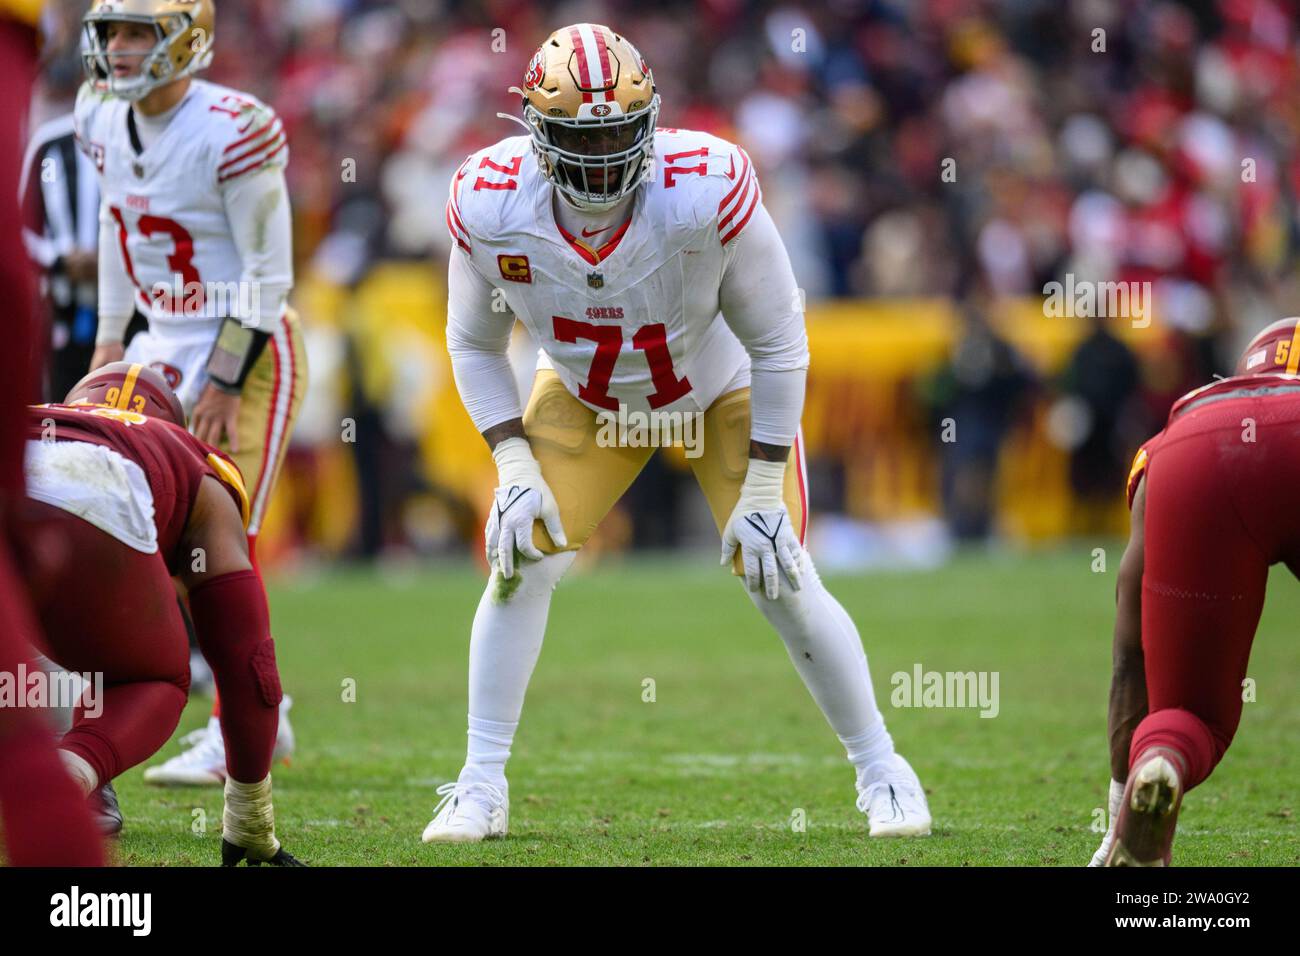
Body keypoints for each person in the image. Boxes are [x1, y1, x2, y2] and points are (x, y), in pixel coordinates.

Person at [424, 23, 930, 843]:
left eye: (620, 131)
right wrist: (514, 462)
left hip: (717, 383)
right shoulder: (489, 203)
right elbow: (473, 344)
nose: (603, 156)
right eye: (582, 137)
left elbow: (779, 341)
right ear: (534, 133)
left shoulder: (705, 185)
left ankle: (883, 769)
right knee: (519, 559)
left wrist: (763, 486)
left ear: (651, 119)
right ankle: (479, 784)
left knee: (781, 572)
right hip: (587, 398)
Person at [74, 0, 305, 783]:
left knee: (216, 547)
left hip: (245, 344)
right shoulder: (101, 116)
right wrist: (110, 340)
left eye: (140, 33)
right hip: (153, 346)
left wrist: (228, 379)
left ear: (186, 39)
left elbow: (268, 275)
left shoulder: (233, 127)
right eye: (114, 34)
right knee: (115, 525)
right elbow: (116, 224)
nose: (124, 50)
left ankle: (242, 725)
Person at [19, 362, 302, 865]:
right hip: (97, 499)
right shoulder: (192, 459)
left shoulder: (35, 414)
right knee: (160, 678)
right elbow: (247, 658)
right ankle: (68, 771)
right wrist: (249, 815)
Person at [1092, 317, 1300, 866]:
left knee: (1191, 713)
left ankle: (1159, 764)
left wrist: (1118, 803)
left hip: (1198, 446)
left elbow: (1130, 644)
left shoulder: (1196, 410)